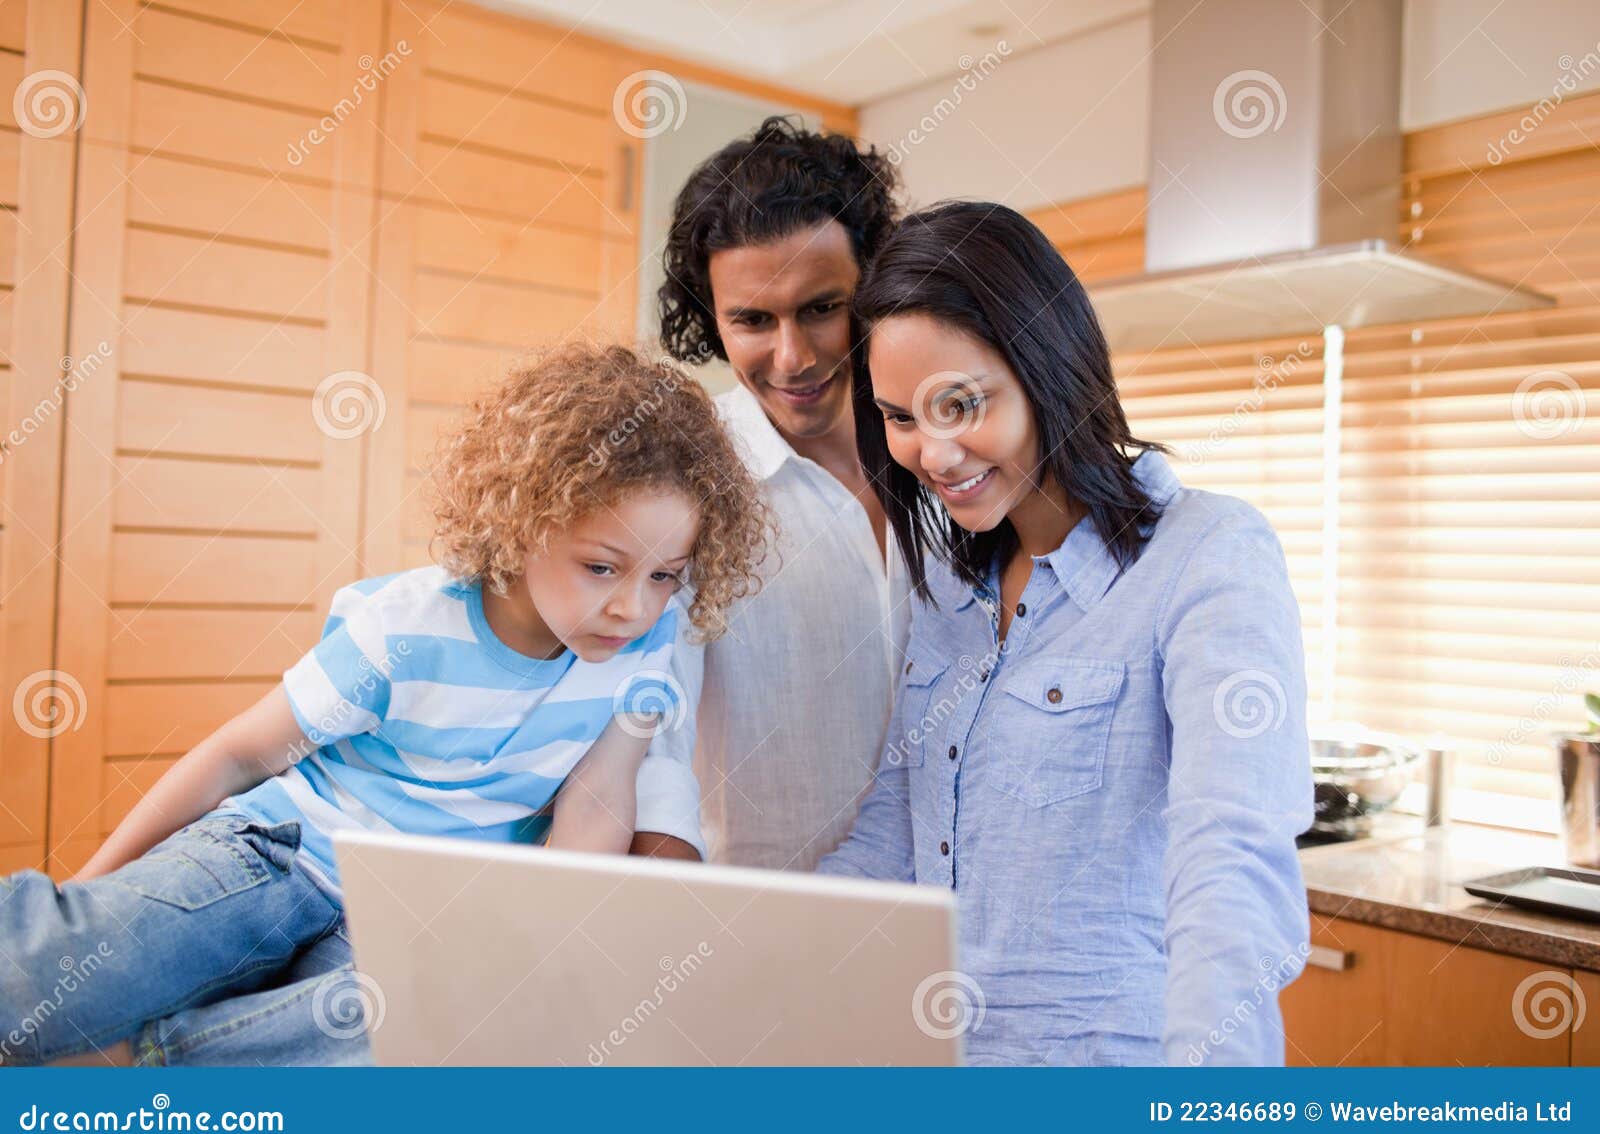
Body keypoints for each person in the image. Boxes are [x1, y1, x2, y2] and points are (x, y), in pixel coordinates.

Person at [0, 343, 768, 1066]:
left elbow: (599, 802)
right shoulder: (405, 627)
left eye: (666, 574)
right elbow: (239, 754)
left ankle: (153, 1058)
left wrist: (537, 957)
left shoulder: (645, 644)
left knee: (433, 1036)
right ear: (525, 520)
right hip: (284, 852)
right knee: (60, 969)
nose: (633, 606)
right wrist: (91, 898)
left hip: (411, 917)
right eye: (602, 566)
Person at [818, 202, 1315, 1066]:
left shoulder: (1206, 556)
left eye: (961, 403)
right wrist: (758, 958)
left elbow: (1229, 858)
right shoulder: (946, 581)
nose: (932, 455)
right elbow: (898, 828)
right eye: (899, 417)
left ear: (1049, 367)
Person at [657, 117, 910, 870]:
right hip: (758, 935)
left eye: (822, 308)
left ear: (874, 286)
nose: (792, 357)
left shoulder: (949, 467)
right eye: (753, 321)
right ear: (713, 320)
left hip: (958, 930)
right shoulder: (683, 486)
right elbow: (649, 742)